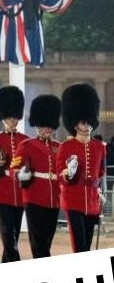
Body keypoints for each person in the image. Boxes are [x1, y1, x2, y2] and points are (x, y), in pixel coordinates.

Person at [56, 84, 105, 253]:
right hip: (73, 199)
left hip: (92, 201)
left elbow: (101, 171)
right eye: (83, 121)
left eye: (89, 120)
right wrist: (68, 173)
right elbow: (60, 174)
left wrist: (98, 190)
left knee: (88, 246)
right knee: (79, 246)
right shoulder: (66, 146)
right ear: (75, 122)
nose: (87, 124)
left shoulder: (99, 146)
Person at [15, 94, 61, 258]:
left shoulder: (59, 147)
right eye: (43, 126)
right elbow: (15, 167)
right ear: (37, 127)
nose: (46, 130)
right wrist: (22, 174)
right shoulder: (25, 146)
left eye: (49, 127)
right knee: (38, 239)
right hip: (33, 196)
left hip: (53, 199)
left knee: (48, 237)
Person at [0, 86, 27, 263]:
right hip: (2, 189)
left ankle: (6, 264)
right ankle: (15, 261)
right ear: (3, 118)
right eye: (9, 117)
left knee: (15, 231)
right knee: (6, 229)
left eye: (14, 117)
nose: (12, 121)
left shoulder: (24, 139)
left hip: (19, 192)